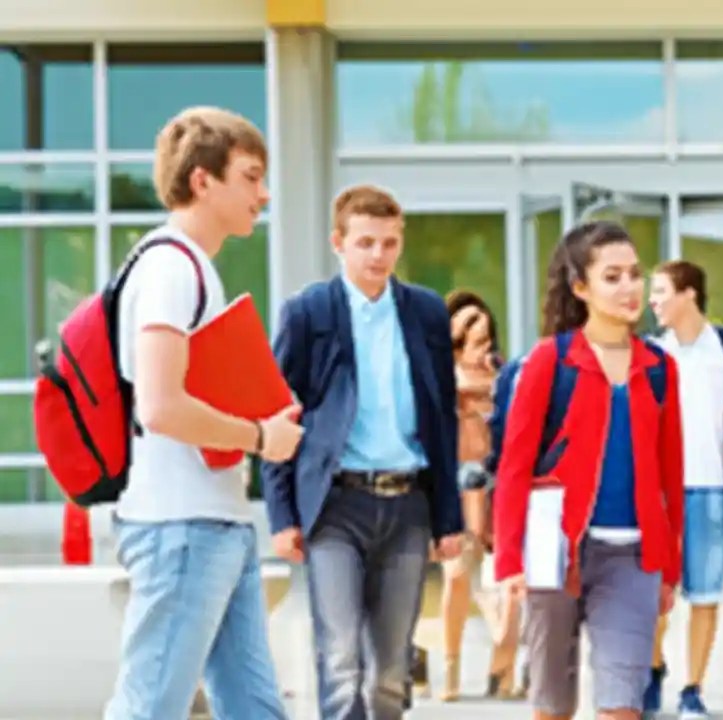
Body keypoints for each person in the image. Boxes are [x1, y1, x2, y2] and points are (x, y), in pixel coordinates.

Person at [104, 106, 301, 719]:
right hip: (180, 527)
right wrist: (258, 434)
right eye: (250, 176)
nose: (263, 195)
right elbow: (159, 406)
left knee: (255, 708)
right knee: (150, 706)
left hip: (215, 524)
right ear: (202, 181)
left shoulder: (190, 267)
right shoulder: (169, 268)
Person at [262, 184, 465, 720]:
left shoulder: (424, 312)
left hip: (407, 506)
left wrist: (449, 518)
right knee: (341, 658)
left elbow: (442, 418)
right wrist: (282, 514)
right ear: (339, 242)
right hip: (335, 506)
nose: (379, 255)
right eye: (367, 242)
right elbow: (279, 413)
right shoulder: (308, 312)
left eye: (390, 243)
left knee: (391, 669)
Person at [493, 221, 685, 720]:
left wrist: (670, 564)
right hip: (554, 552)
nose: (629, 288)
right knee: (552, 708)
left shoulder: (660, 367)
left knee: (623, 706)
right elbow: (513, 466)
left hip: (633, 558)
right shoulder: (548, 361)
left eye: (635, 275)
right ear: (581, 288)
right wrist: (509, 562)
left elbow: (671, 475)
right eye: (612, 276)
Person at [644, 259, 723, 720]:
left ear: (689, 294)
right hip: (659, 496)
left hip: (710, 491)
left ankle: (692, 689)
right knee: (655, 597)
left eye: (660, 291)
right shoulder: (652, 354)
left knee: (705, 595)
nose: (652, 301)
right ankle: (653, 667)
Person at [433, 289, 524, 702]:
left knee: (512, 587)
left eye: (485, 339)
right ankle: (450, 665)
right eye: (469, 339)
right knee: (456, 578)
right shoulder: (440, 377)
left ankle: (502, 668)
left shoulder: (504, 376)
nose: (477, 349)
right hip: (458, 483)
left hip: (498, 484)